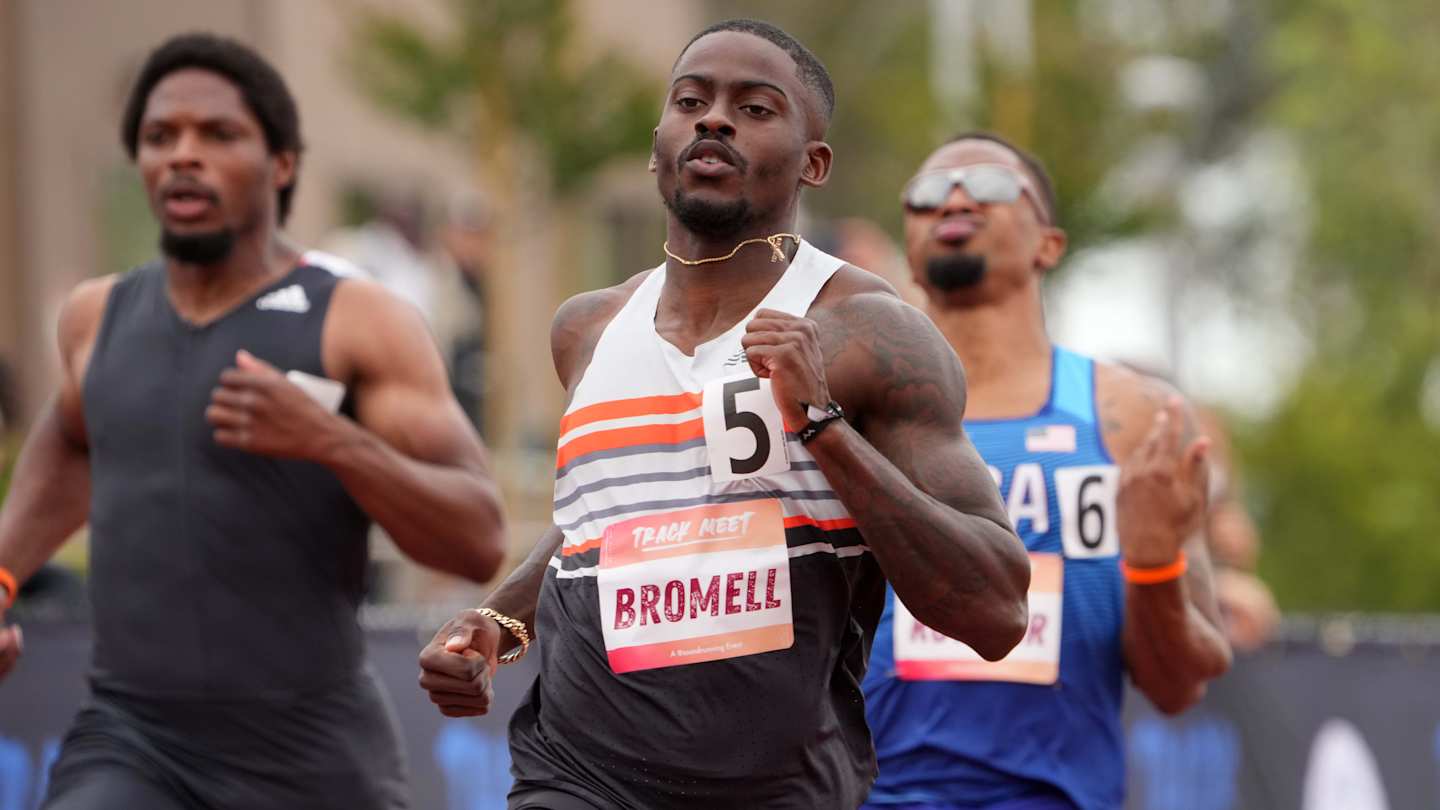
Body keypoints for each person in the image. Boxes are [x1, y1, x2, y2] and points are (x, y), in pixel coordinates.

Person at [417, 19, 1031, 810]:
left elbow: (994, 609)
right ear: (656, 146)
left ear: (814, 163)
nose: (713, 119)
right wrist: (501, 620)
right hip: (578, 776)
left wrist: (820, 425)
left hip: (776, 785)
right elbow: (599, 515)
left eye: (756, 108)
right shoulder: (589, 329)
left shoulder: (871, 332)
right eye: (690, 101)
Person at [0, 33, 506, 809]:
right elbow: (72, 447)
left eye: (218, 134)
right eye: (160, 137)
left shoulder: (358, 321)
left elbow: (477, 537)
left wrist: (332, 442)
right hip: (132, 740)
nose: (183, 156)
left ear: (282, 163)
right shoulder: (94, 318)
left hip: (309, 748)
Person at [861, 133, 1233, 810]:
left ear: (1049, 244)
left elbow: (1182, 684)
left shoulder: (1132, 420)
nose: (957, 197)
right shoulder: (849, 415)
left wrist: (1152, 565)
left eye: (992, 184)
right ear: (908, 249)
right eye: (928, 192)